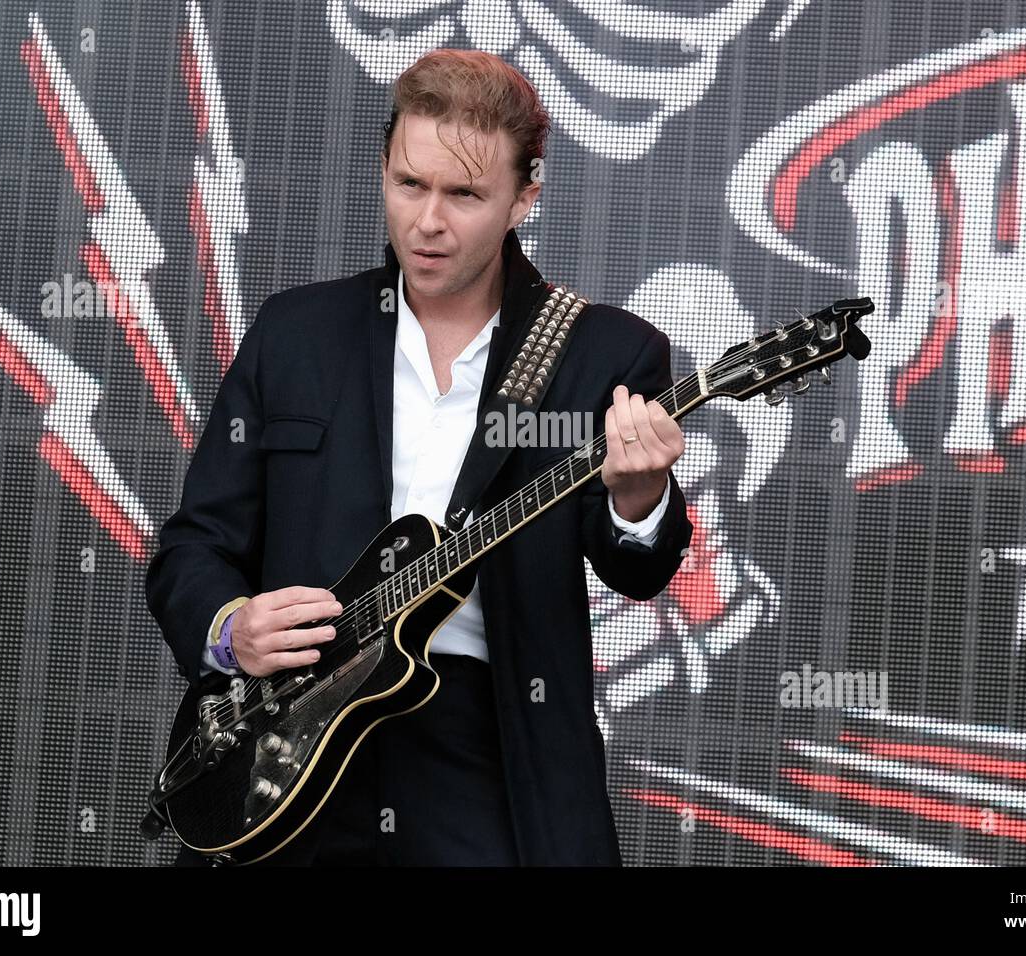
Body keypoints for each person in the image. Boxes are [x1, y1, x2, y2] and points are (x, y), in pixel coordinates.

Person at [147, 48, 693, 866]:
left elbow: (637, 569)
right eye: (409, 184)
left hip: (489, 749)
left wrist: (639, 498)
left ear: (525, 194)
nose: (427, 222)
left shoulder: (602, 353)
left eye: (465, 194)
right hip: (286, 738)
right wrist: (232, 630)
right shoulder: (294, 335)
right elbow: (193, 548)